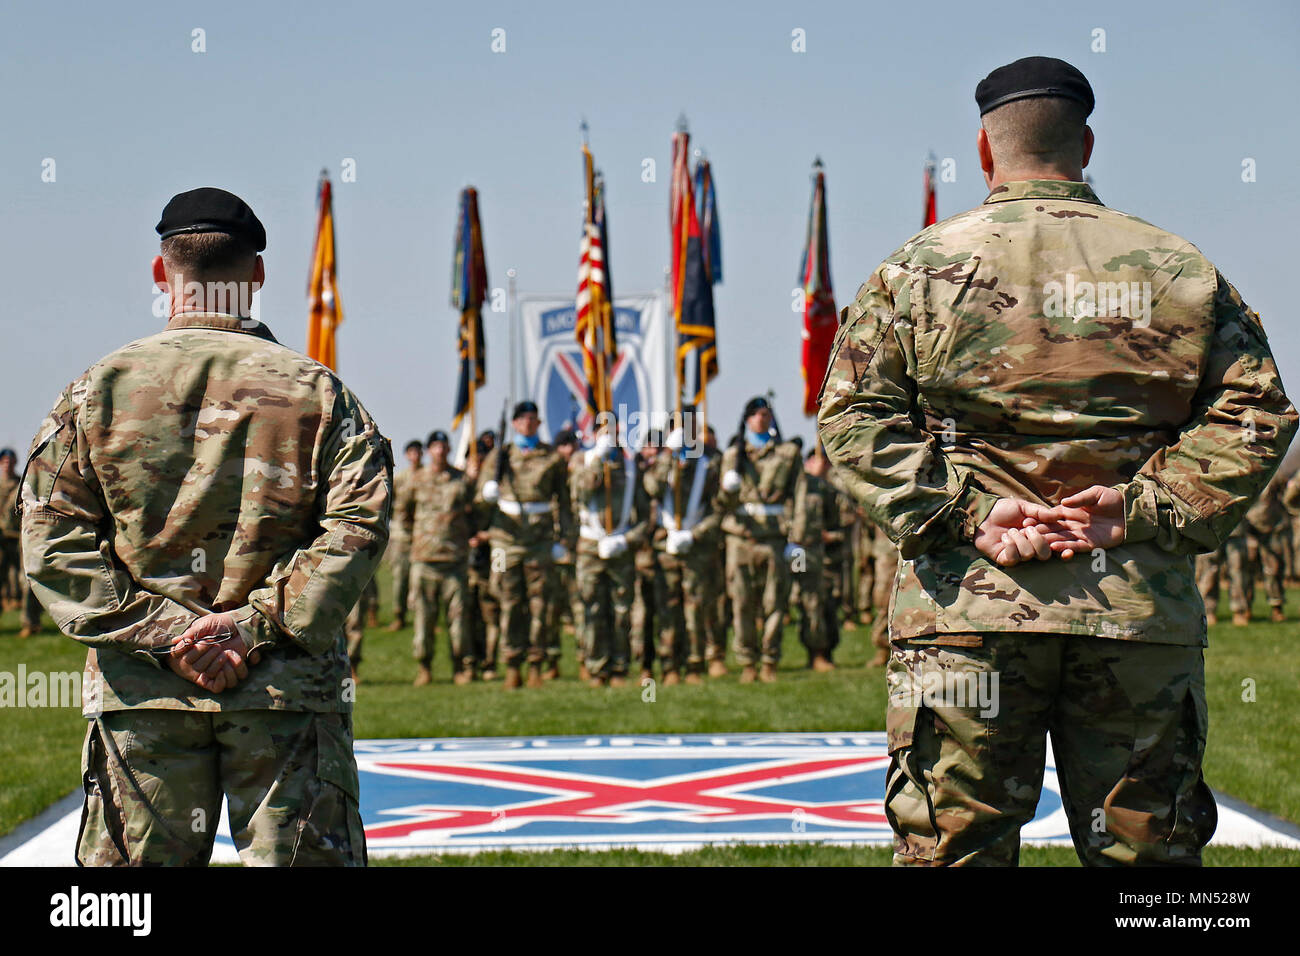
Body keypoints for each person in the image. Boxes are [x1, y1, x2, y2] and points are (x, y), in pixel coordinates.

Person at [818, 57, 1296, 866]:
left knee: (955, 853)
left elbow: (854, 416)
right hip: (1134, 611)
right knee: (1150, 870)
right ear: (1087, 142)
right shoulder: (1176, 267)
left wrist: (969, 513)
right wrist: (1142, 507)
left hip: (967, 615)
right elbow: (1256, 411)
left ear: (983, 149)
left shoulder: (918, 271)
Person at [20, 187, 392, 865]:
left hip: (144, 696)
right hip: (284, 697)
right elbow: (357, 527)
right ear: (256, 276)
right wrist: (249, 629)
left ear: (162, 274)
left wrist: (167, 636)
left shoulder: (95, 391)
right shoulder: (319, 393)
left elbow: (50, 539)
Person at [476, 401, 572, 689]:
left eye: (533, 419)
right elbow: (479, 501)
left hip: (540, 540)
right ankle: (512, 663)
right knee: (508, 601)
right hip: (506, 539)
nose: (528, 423)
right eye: (523, 419)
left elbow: (564, 502)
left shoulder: (552, 458)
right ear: (515, 423)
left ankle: (535, 663)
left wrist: (564, 538)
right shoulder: (499, 456)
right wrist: (486, 494)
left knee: (540, 603)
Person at [718, 396, 804, 683]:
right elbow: (720, 503)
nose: (760, 418)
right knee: (741, 602)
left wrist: (797, 537)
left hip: (774, 536)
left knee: (774, 602)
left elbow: (799, 496)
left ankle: (770, 659)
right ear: (746, 418)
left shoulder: (788, 453)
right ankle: (747, 661)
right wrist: (728, 489)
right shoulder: (733, 454)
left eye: (765, 413)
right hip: (740, 537)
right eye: (754, 414)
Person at [644, 411, 723, 684]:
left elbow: (718, 509)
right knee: (668, 607)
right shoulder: (660, 462)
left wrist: (696, 534)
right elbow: (651, 488)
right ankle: (669, 666)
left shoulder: (710, 464)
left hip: (695, 547)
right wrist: (668, 456)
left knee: (696, 607)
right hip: (665, 547)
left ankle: (694, 664)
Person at [571, 419, 650, 687]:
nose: (610, 436)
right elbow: (580, 491)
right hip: (590, 547)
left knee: (621, 610)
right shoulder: (581, 460)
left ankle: (619, 666)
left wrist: (627, 540)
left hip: (619, 548)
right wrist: (597, 460)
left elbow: (645, 516)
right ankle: (595, 666)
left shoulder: (630, 467)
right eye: (604, 431)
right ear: (594, 434)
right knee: (592, 608)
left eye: (613, 430)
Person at [400, 430, 474, 685]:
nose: (440, 451)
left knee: (458, 620)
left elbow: (473, 512)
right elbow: (404, 512)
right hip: (425, 560)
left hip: (454, 560)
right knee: (423, 619)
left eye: (444, 446)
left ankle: (460, 667)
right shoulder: (416, 479)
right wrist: (419, 539)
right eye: (435, 446)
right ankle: (425, 666)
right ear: (429, 450)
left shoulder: (461, 479)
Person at [791, 447, 841, 672]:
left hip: (815, 551)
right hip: (794, 550)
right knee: (799, 598)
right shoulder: (790, 487)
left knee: (816, 600)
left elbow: (837, 523)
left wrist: (830, 536)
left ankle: (819, 652)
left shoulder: (823, 489)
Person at [547, 428, 582, 679]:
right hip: (549, 550)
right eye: (563, 446)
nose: (568, 451)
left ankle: (585, 660)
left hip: (579, 551)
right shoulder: (549, 476)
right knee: (550, 611)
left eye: (572, 445)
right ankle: (551, 663)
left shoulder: (584, 474)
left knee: (581, 609)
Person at [387, 440, 424, 631]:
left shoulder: (428, 476)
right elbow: (389, 503)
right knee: (400, 578)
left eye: (418, 452)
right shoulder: (400, 478)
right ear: (407, 455)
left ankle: (424, 618)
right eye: (411, 452)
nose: (415, 455)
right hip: (402, 536)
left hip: (424, 536)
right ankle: (399, 615)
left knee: (421, 581)